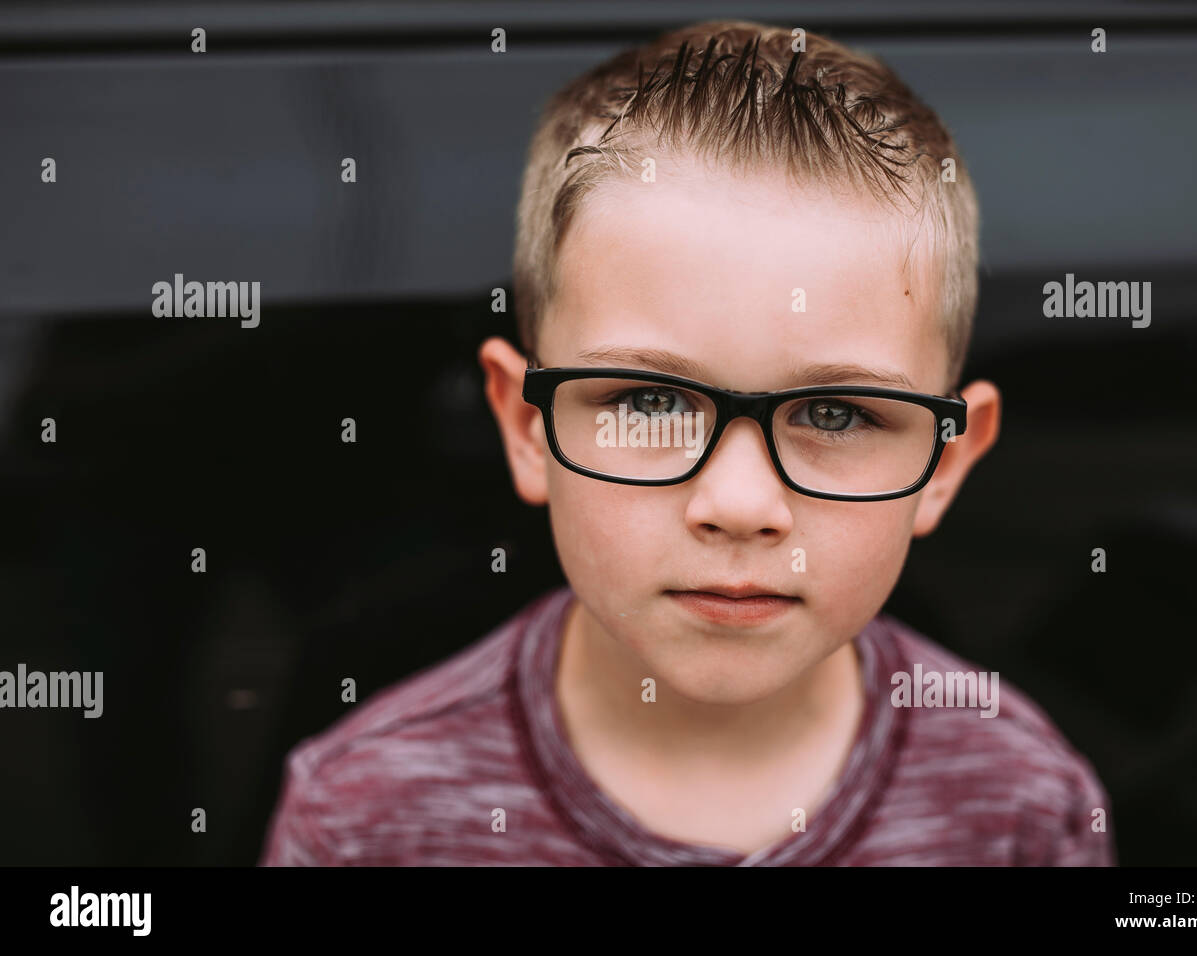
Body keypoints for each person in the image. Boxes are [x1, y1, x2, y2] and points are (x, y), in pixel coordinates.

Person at [260, 19, 1115, 866]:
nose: (740, 506)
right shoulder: (365, 820)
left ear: (944, 464)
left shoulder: (1022, 808)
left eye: (835, 414)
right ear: (528, 429)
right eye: (649, 400)